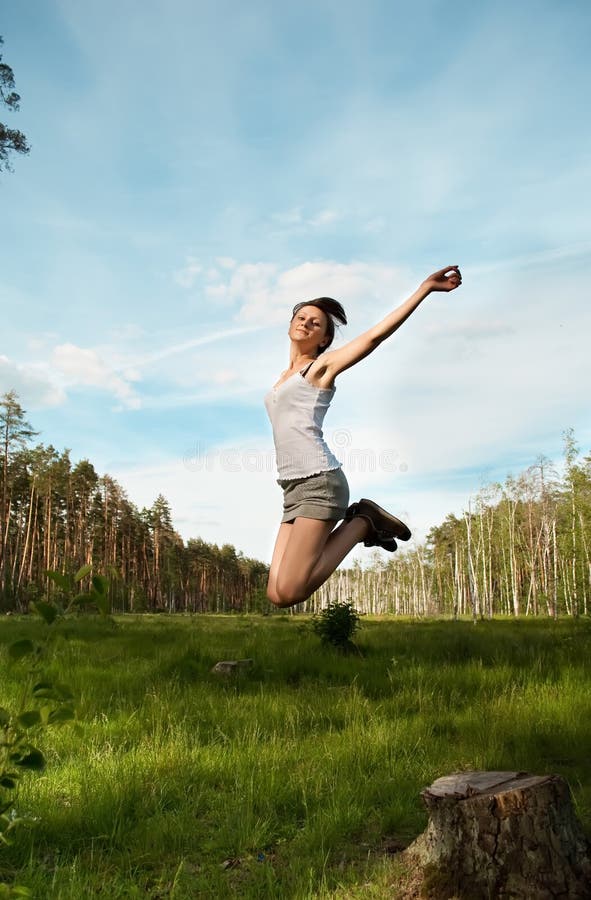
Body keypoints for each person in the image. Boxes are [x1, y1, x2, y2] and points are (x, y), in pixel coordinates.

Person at [264, 265, 462, 608]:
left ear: (324, 339)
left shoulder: (320, 369)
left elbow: (373, 338)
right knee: (276, 594)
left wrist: (424, 290)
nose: (307, 322)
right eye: (302, 316)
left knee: (293, 592)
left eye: (316, 323)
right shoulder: (281, 378)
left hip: (318, 482)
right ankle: (364, 519)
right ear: (290, 324)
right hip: (291, 488)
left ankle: (362, 523)